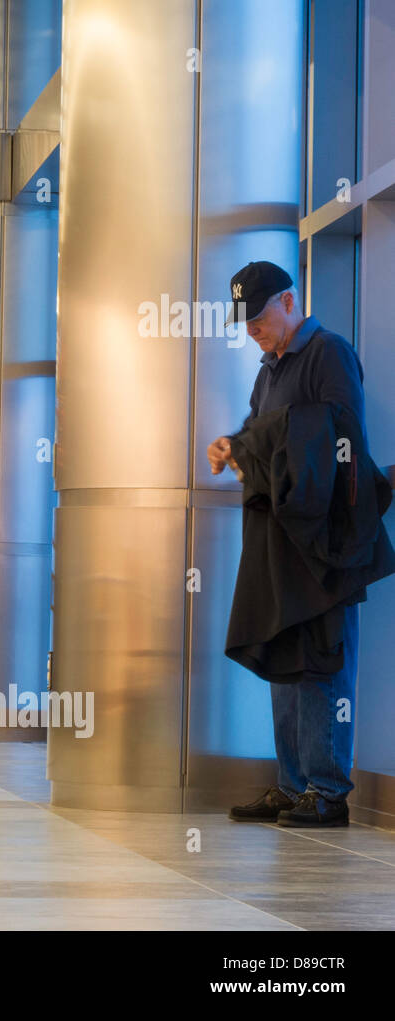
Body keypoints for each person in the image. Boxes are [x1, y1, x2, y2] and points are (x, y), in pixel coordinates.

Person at [209, 261, 394, 829]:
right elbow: (261, 432)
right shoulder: (269, 370)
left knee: (322, 663)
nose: (252, 330)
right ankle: (293, 786)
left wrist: (264, 440)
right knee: (286, 659)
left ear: (289, 302)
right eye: (244, 321)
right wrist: (234, 446)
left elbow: (342, 438)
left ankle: (328, 791)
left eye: (259, 317)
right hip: (283, 547)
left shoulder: (328, 353)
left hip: (324, 546)